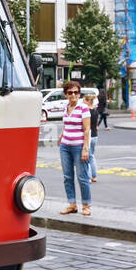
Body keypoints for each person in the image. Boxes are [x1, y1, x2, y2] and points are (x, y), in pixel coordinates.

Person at [57, 81, 91, 216]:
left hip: (78, 146)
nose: (73, 95)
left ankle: (86, 205)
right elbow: (67, 125)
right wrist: (61, 136)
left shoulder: (84, 108)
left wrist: (85, 148)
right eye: (70, 92)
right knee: (67, 177)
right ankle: (72, 204)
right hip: (65, 146)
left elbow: (87, 129)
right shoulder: (66, 107)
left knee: (82, 177)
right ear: (66, 94)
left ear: (79, 93)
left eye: (76, 92)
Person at [83, 91, 101, 183]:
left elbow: (86, 126)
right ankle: (94, 176)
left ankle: (89, 177)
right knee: (92, 156)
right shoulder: (95, 111)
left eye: (83, 100)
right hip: (95, 135)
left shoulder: (86, 112)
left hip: (89, 136)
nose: (82, 102)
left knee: (87, 158)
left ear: (87, 101)